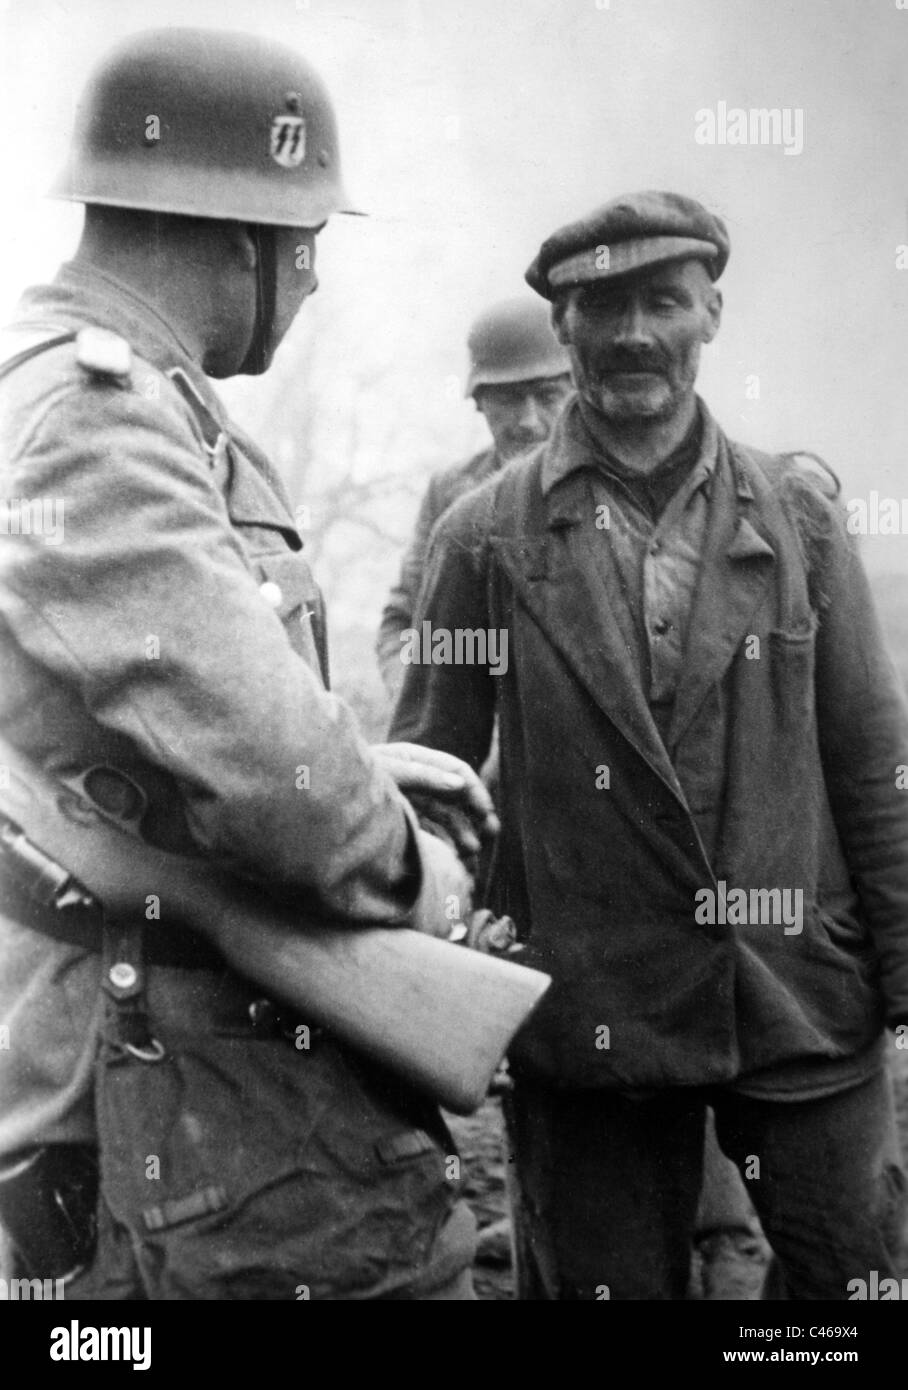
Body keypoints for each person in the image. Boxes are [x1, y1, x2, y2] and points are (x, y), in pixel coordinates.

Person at [0, 27, 495, 1301]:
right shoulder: (97, 424)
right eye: (306, 242)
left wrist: (354, 760)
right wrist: (412, 865)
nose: (314, 278)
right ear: (237, 239)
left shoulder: (91, 398)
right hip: (182, 1090)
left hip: (162, 1064)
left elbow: (121, 716)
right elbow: (283, 789)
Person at [390, 189, 908, 1299]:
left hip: (800, 999)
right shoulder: (481, 538)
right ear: (562, 327)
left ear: (709, 313)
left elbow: (871, 759)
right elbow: (427, 778)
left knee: (847, 1294)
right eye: (601, 305)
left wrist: (904, 978)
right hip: (588, 1017)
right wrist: (447, 974)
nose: (632, 333)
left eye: (661, 301)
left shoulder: (800, 519)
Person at [376, 298, 571, 700]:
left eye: (548, 397)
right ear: (480, 402)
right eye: (509, 399)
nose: (529, 421)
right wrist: (415, 702)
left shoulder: (604, 493)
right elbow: (404, 621)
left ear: (577, 395)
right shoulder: (451, 492)